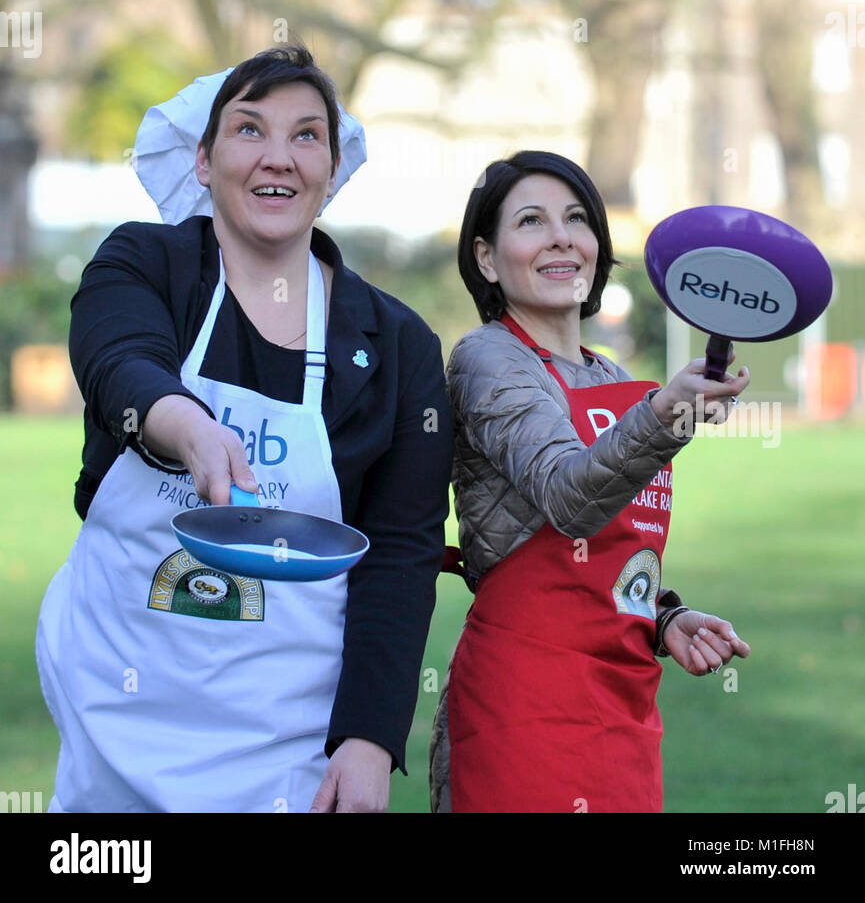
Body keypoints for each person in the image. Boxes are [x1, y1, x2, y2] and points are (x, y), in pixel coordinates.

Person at [35, 44, 453, 814]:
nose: (280, 158)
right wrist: (185, 427)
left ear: (331, 169)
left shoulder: (397, 344)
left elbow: (401, 554)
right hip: (120, 698)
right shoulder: (145, 263)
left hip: (286, 732)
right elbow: (118, 361)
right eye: (250, 130)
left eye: (306, 136)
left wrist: (367, 739)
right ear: (203, 161)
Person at [430, 151, 751, 814]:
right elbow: (569, 497)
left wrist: (661, 616)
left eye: (576, 218)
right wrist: (666, 412)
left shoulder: (612, 380)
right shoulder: (488, 357)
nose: (561, 236)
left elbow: (611, 550)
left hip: (621, 705)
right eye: (531, 221)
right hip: (522, 704)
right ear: (488, 259)